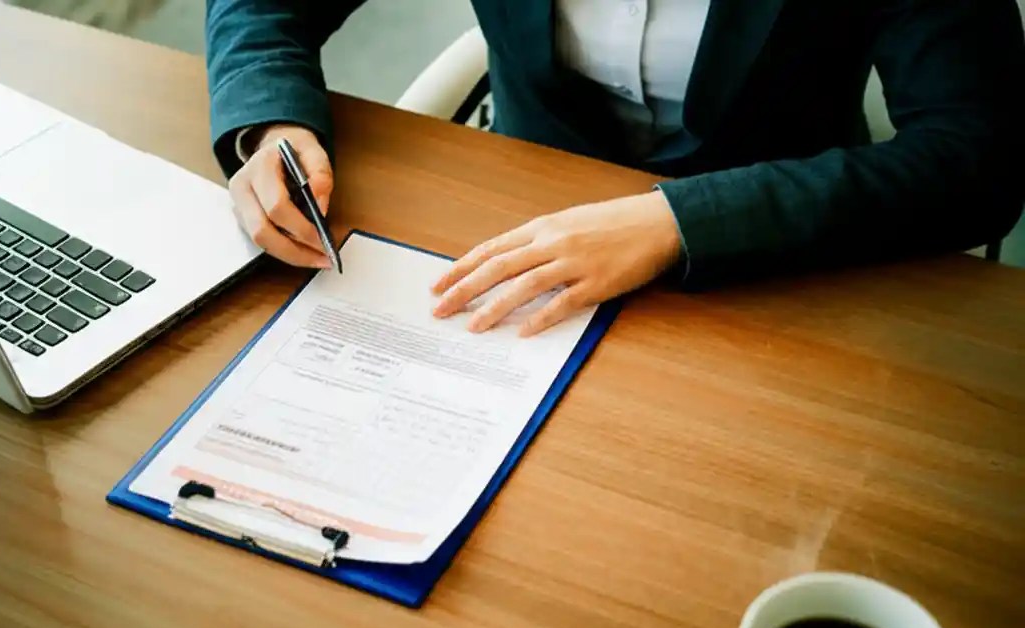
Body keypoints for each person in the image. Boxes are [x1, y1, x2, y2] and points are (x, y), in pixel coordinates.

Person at [206, 1, 1025, 336]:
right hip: (513, 204)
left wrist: (680, 221)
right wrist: (266, 114)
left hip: (777, 254)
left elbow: (977, 155)